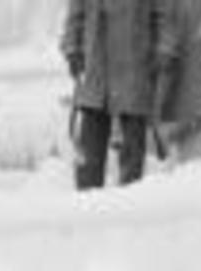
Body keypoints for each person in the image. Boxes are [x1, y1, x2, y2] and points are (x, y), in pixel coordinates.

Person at [61, 0, 180, 190]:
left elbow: (164, 13)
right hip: (96, 67)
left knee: (132, 152)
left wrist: (164, 49)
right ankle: (86, 199)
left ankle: (129, 199)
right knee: (89, 149)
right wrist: (72, 48)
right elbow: (76, 13)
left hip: (134, 66)